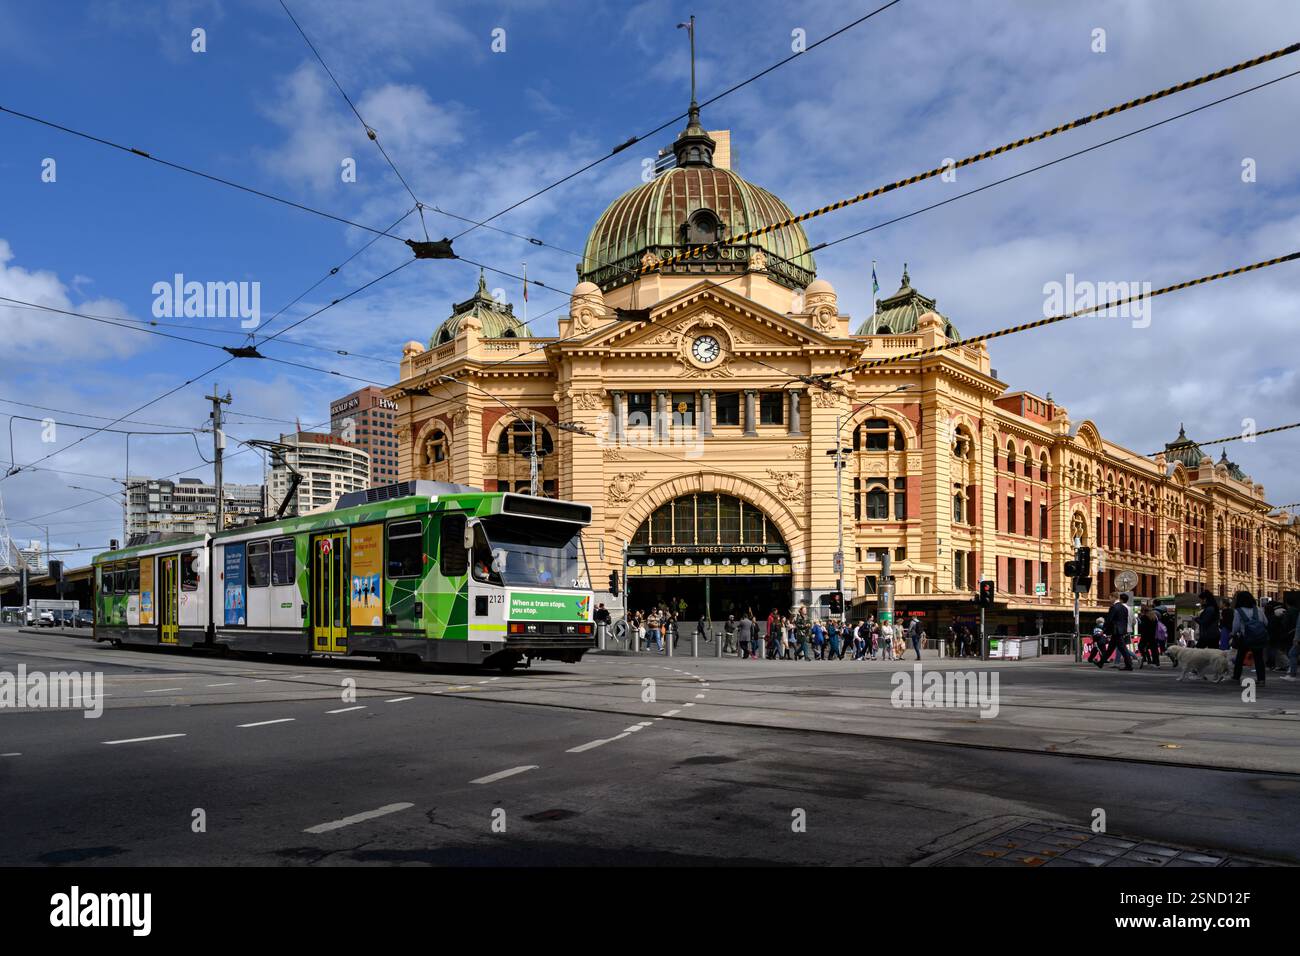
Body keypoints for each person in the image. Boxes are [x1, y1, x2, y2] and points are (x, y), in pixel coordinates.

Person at [1230, 590, 1267, 688]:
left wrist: (1233, 634)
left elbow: (1236, 626)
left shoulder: (1238, 611)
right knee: (1259, 659)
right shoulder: (1258, 609)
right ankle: (1261, 680)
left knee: (1240, 658)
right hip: (1258, 637)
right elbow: (1265, 622)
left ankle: (1236, 677)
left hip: (1245, 638)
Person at [1095, 592, 1134, 671]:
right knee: (1111, 648)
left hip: (1116, 631)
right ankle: (1101, 663)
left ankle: (1129, 665)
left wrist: (1103, 630)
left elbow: (1109, 620)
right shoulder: (1124, 608)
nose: (1109, 600)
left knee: (1123, 649)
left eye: (1110, 598)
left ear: (1113, 597)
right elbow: (1125, 621)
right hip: (1121, 630)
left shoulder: (1114, 607)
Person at [1137, 604, 1160, 669]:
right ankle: (1156, 662)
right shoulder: (1154, 617)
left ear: (1144, 611)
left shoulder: (1144, 617)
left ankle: (1146, 660)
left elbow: (1142, 627)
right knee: (1154, 649)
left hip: (1145, 635)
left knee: (1141, 646)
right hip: (1153, 635)